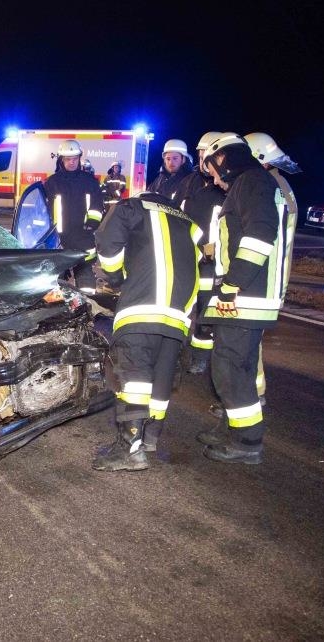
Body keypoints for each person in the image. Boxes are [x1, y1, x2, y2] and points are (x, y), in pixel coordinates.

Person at [197, 132, 291, 464]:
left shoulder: (251, 182)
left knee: (230, 368)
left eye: (212, 170)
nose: (214, 180)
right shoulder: (253, 183)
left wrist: (232, 284)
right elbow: (239, 237)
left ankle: (247, 441)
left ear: (222, 159)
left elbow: (259, 235)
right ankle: (233, 429)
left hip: (245, 296)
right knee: (239, 366)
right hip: (249, 295)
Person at [91, 190, 201, 471]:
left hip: (141, 306)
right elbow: (202, 266)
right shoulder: (188, 221)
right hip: (178, 314)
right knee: (162, 374)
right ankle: (150, 437)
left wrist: (115, 278)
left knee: (134, 374)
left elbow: (107, 242)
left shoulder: (131, 207)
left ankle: (130, 448)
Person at [181, 132, 226, 375]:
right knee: (182, 307)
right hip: (188, 257)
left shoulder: (228, 187)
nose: (202, 161)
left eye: (206, 156)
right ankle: (176, 351)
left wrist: (214, 249)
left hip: (212, 262)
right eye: (199, 156)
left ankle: (201, 357)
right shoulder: (189, 182)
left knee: (207, 312)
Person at [43, 140, 104, 296]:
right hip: (58, 239)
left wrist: (91, 224)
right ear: (61, 160)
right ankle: (59, 308)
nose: (72, 162)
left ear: (79, 158)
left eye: (75, 159)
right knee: (56, 283)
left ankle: (88, 304)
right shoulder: (52, 182)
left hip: (83, 238)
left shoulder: (90, 181)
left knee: (85, 279)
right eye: (68, 159)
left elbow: (97, 205)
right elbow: (44, 209)